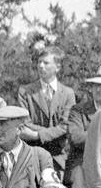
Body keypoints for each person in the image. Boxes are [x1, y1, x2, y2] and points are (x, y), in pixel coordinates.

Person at [15, 49, 77, 179]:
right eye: (39, 62)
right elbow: (24, 123)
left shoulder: (68, 93)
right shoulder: (25, 92)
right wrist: (53, 131)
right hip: (31, 157)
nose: (41, 66)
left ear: (57, 67)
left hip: (58, 158)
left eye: (46, 63)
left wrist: (37, 135)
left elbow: (66, 126)